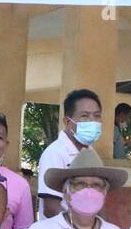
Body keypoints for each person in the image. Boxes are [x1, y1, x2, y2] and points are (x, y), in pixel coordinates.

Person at [38, 89, 104, 218]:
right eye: (84, 116)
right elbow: (51, 208)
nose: (92, 121)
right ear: (68, 122)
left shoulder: (91, 153)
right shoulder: (55, 153)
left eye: (97, 116)